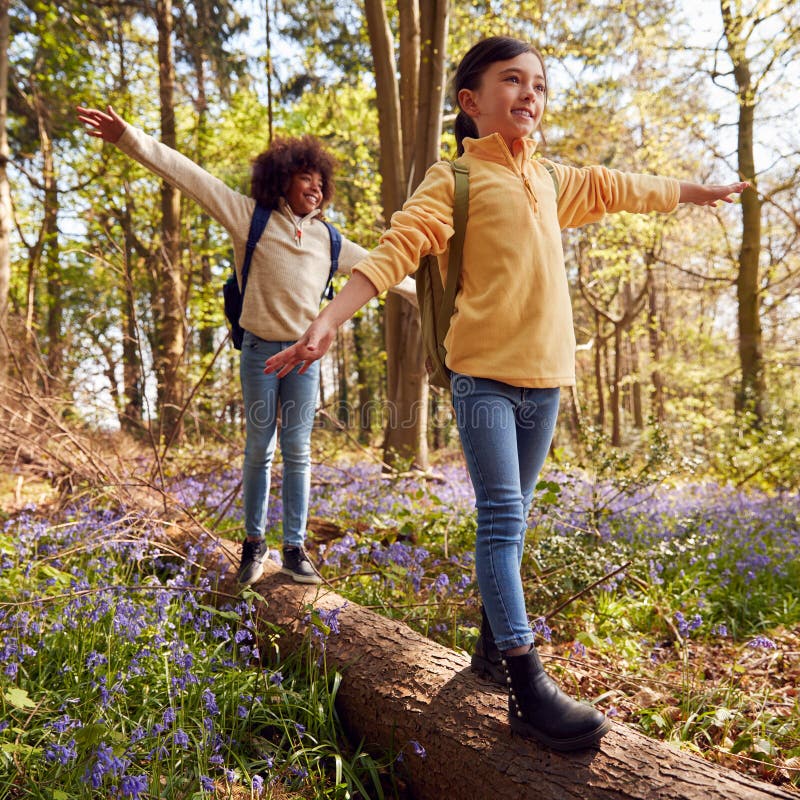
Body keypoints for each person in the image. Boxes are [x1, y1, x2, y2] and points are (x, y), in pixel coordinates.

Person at [262, 35, 747, 751]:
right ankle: (526, 685)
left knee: (515, 521)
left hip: (547, 378)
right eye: (513, 81)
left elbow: (619, 186)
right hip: (481, 373)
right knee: (499, 517)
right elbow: (396, 248)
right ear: (471, 101)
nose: (530, 94)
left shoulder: (552, 180)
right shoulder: (454, 179)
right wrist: (327, 321)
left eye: (539, 85)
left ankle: (491, 652)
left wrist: (696, 192)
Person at [76, 104, 417, 588]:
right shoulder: (249, 218)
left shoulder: (330, 240)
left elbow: (389, 270)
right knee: (260, 448)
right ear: (282, 181)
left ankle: (295, 549)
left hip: (304, 360)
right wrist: (127, 137)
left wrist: (445, 297)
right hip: (259, 355)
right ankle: (254, 544)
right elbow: (189, 176)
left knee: (298, 452)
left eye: (320, 179)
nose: (315, 186)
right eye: (305, 176)